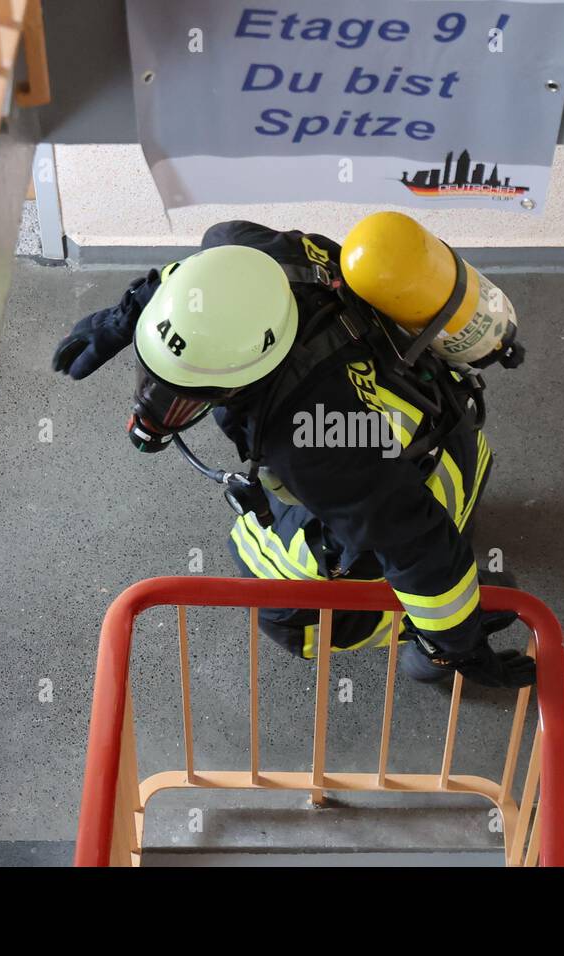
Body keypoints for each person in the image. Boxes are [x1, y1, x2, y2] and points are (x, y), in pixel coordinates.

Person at [52, 217, 534, 688]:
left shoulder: (316, 439)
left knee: (290, 609)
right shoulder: (245, 249)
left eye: (192, 396)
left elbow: (418, 545)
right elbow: (193, 276)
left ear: (248, 374)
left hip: (419, 473)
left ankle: (430, 653)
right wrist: (122, 320)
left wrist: (461, 646)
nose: (155, 403)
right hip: (432, 407)